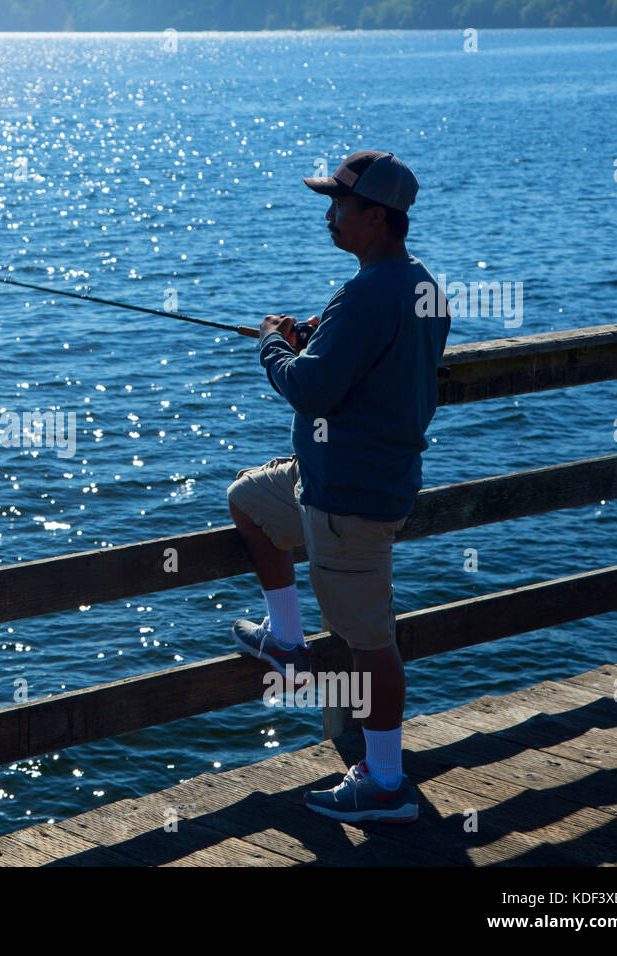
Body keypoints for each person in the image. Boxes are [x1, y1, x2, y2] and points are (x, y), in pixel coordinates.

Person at [226, 150, 450, 823]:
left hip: (350, 498)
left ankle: (383, 781)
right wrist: (325, 337)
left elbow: (311, 389)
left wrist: (275, 344)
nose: (330, 217)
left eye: (340, 206)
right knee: (248, 500)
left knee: (369, 643)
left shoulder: (364, 292)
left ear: (375, 217)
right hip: (343, 477)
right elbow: (386, 356)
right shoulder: (421, 286)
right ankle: (286, 640)